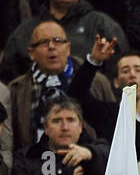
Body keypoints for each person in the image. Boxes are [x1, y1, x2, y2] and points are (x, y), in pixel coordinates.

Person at [3, 0, 126, 83]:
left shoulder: (100, 24)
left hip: (90, 95)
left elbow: (120, 65)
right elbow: (10, 72)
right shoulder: (27, 29)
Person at [7, 20, 115, 154]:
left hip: (87, 164)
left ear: (68, 48)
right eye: (44, 42)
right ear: (31, 53)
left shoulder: (98, 82)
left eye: (58, 41)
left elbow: (113, 129)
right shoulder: (15, 89)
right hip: (31, 166)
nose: (51, 46)